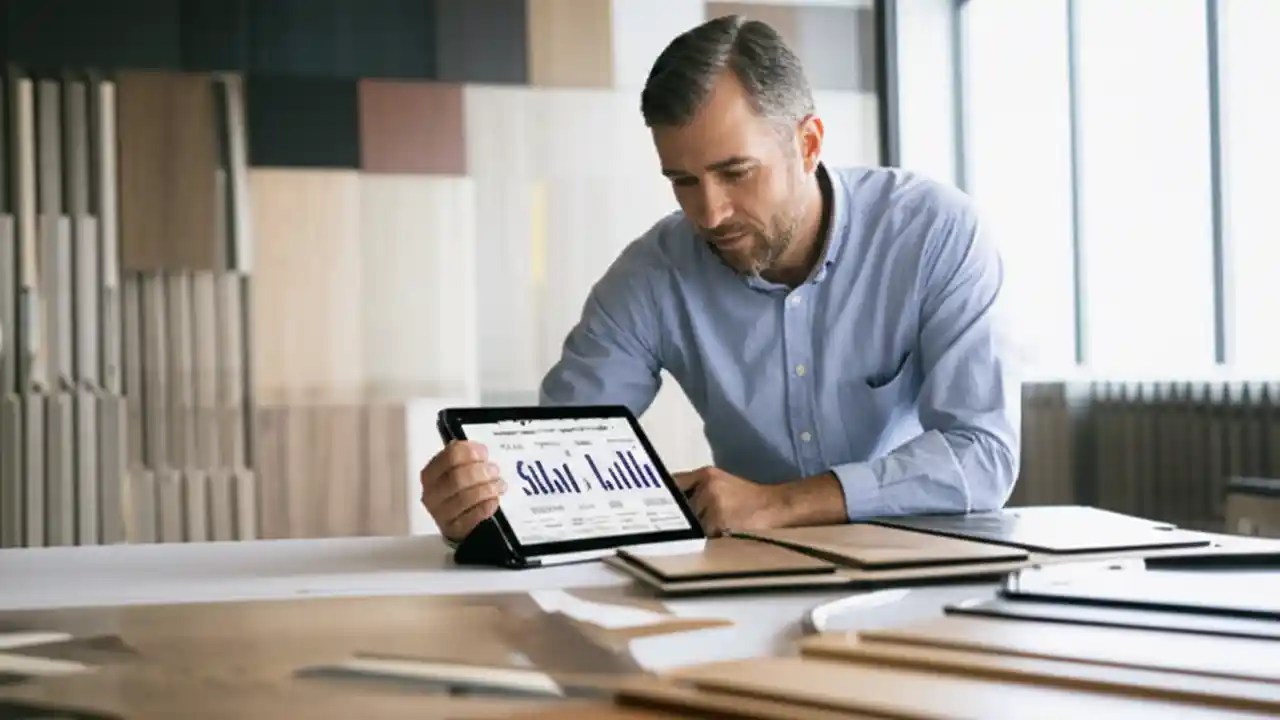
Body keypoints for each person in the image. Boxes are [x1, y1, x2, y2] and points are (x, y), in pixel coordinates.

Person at [420, 15, 1020, 542]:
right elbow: (564, 457)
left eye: (736, 172)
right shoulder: (651, 275)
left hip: (920, 561)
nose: (709, 214)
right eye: (682, 180)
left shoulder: (934, 232)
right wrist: (485, 506)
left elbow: (983, 455)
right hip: (750, 573)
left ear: (808, 143)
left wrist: (780, 502)